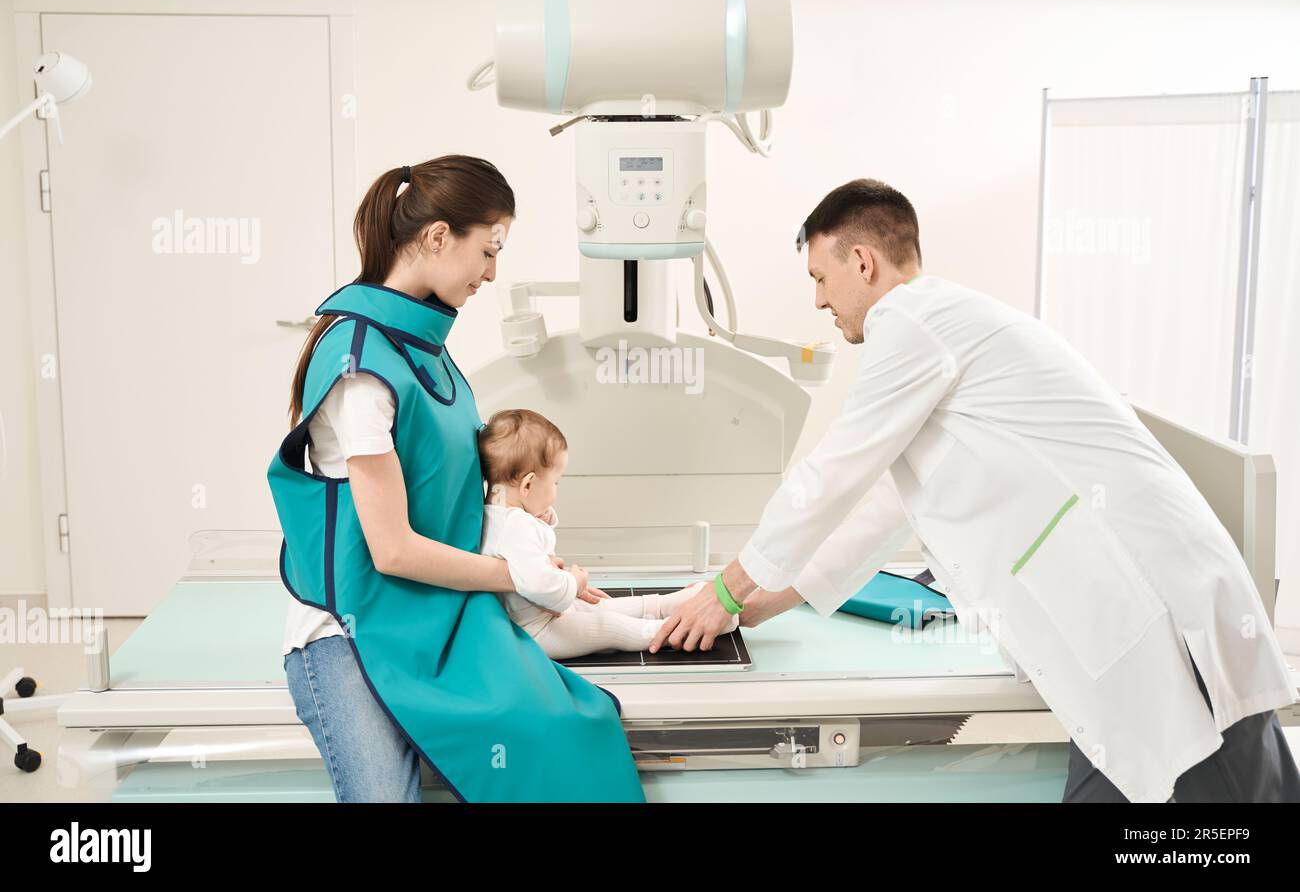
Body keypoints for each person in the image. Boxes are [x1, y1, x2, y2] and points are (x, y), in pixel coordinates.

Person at [652, 177, 1300, 803]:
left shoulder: (911, 321)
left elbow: (833, 472)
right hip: (1124, 638)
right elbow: (879, 506)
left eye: (820, 279)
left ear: (861, 261)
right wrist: (763, 601)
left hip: (1159, 624)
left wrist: (725, 591)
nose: (819, 301)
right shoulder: (941, 335)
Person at [271, 156, 643, 803]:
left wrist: (530, 554)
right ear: (438, 237)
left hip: (437, 607)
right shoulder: (362, 366)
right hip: (349, 627)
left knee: (565, 731)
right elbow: (392, 549)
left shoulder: (425, 351)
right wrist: (519, 576)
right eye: (489, 248)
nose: (493, 271)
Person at [476, 408, 729, 658]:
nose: (556, 489)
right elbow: (541, 584)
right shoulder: (516, 527)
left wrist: (541, 517)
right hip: (537, 630)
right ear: (528, 484)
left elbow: (531, 547)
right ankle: (677, 629)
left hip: (546, 612)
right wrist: (574, 582)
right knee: (606, 626)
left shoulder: (497, 514)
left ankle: (669, 604)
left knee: (600, 608)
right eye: (555, 482)